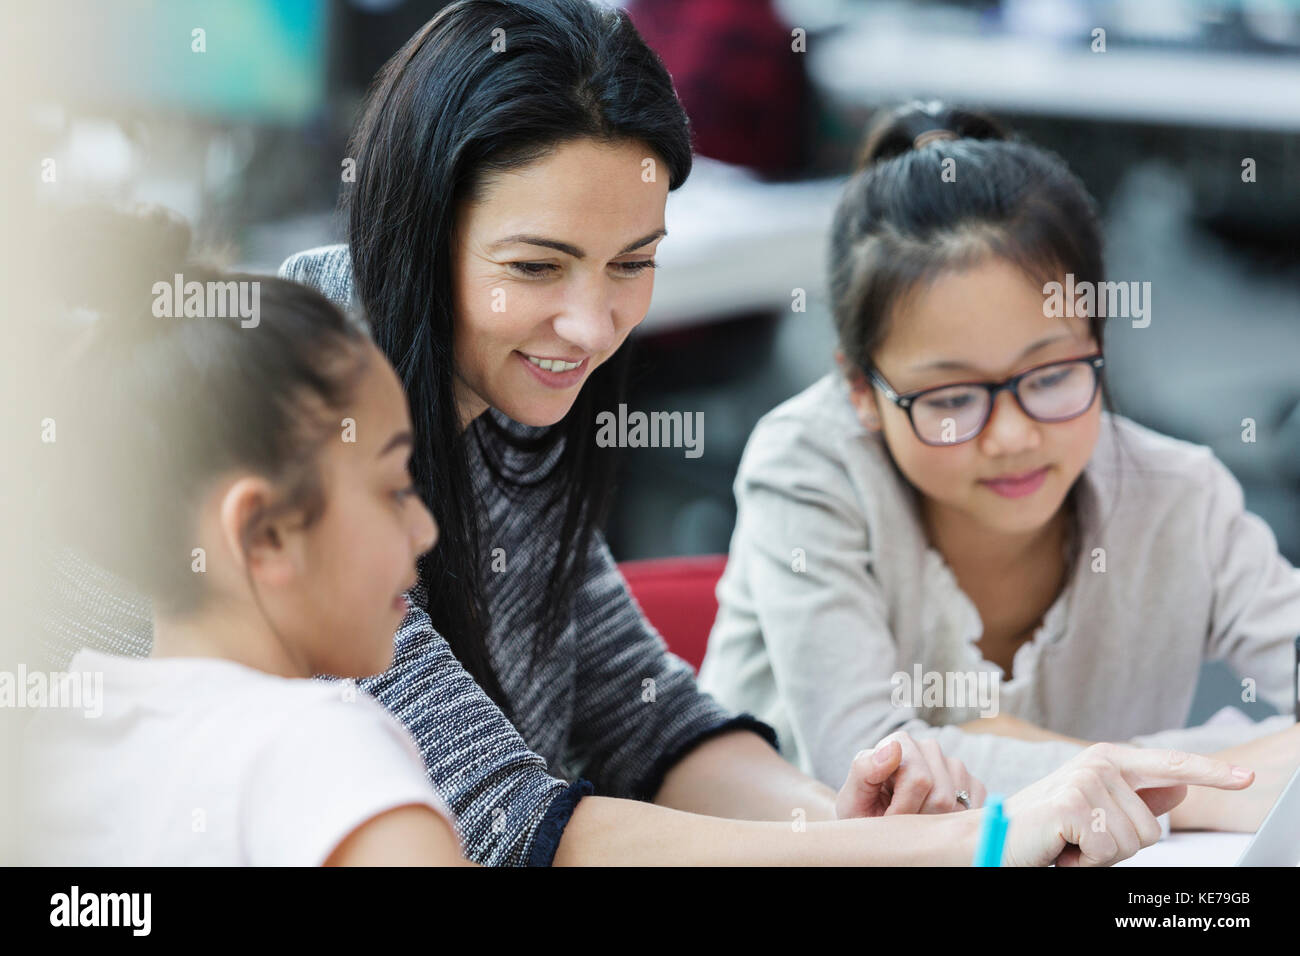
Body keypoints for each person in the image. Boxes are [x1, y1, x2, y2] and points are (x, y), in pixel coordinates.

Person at [43, 4, 1254, 867]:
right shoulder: (320, 412)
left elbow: (642, 721)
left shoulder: (504, 393)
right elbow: (502, 822)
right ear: (417, 232)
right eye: (536, 266)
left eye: (633, 265)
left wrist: (831, 817)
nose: (593, 322)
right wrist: (974, 842)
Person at [698, 101, 1300, 833]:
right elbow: (874, 771)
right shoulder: (808, 466)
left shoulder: (1178, 492)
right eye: (952, 397)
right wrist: (1212, 776)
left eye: (1050, 377)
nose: (1012, 435)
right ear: (861, 390)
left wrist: (1036, 760)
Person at [23, 205, 467, 866]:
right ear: (264, 534)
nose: (425, 529)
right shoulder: (328, 761)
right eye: (394, 489)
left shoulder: (60, 749)